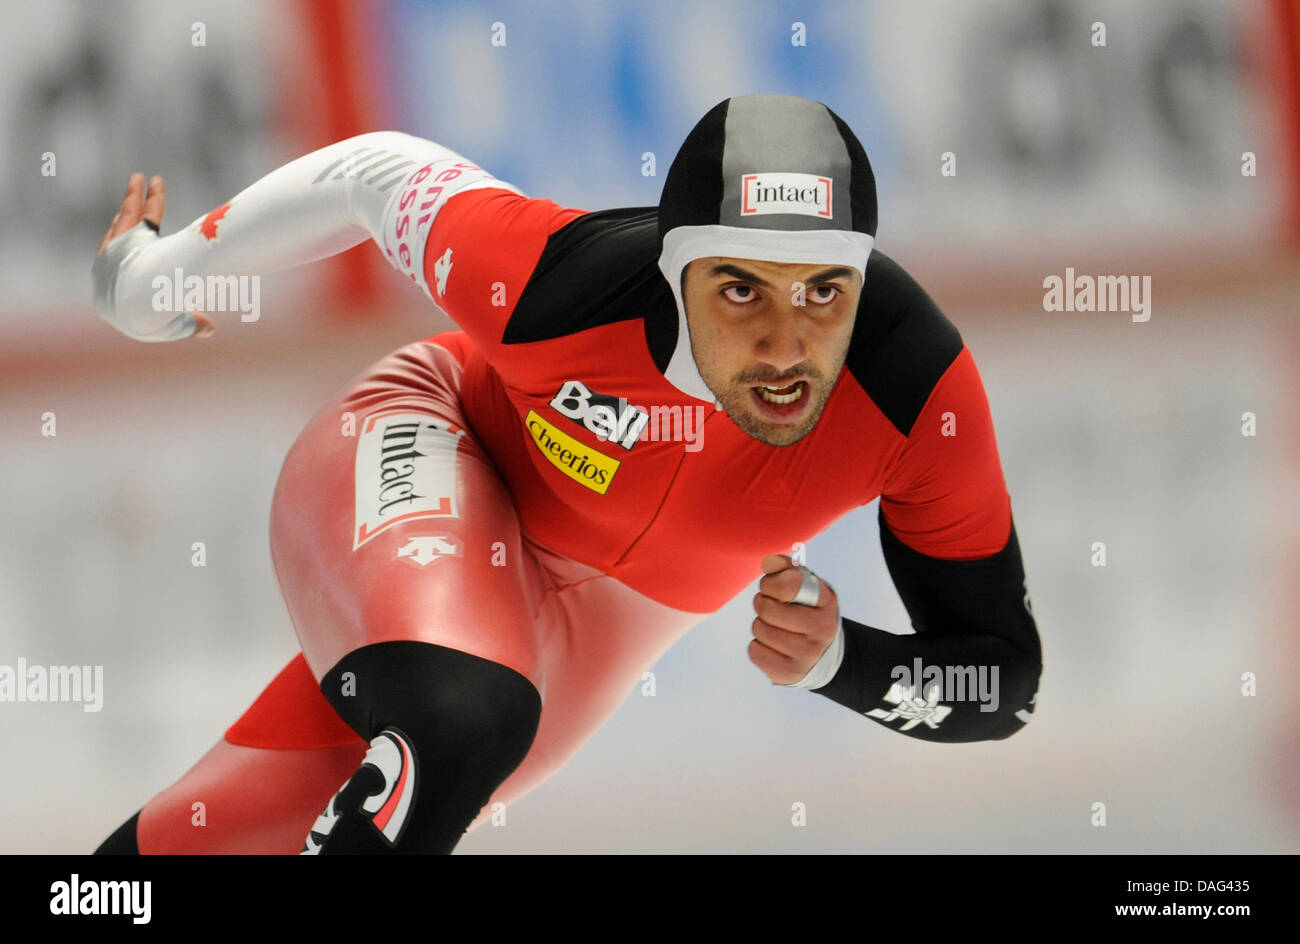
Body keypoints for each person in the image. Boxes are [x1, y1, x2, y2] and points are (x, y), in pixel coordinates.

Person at [91, 93, 1042, 854]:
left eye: (825, 292)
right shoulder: (557, 284)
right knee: (463, 723)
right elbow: (370, 173)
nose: (785, 344)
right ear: (674, 270)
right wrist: (152, 281)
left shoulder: (918, 394)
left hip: (586, 636)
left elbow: (1006, 681)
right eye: (741, 288)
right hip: (439, 440)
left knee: (219, 830)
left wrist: (843, 663)